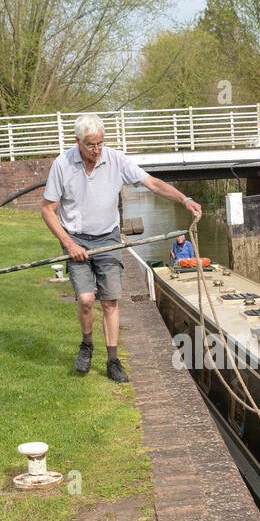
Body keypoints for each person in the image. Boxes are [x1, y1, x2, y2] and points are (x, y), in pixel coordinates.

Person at [42, 114, 202, 382]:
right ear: (77, 141)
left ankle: (113, 361)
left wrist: (183, 198)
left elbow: (151, 182)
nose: (96, 150)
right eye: (91, 145)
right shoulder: (62, 164)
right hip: (76, 240)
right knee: (85, 300)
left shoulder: (115, 160)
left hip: (108, 238)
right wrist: (69, 243)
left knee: (110, 301)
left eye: (100, 143)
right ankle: (86, 345)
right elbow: (47, 210)